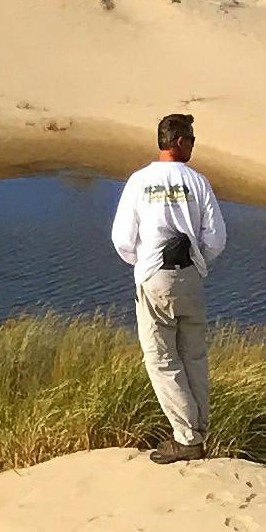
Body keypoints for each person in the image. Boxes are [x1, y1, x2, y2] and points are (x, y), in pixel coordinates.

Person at [111, 112, 228, 461]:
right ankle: (197, 431)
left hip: (154, 278)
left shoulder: (138, 181)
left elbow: (121, 239)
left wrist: (143, 267)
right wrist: (199, 263)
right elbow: (217, 238)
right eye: (191, 137)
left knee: (161, 359)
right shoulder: (197, 182)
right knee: (193, 356)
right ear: (178, 141)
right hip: (190, 277)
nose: (193, 143)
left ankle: (187, 437)